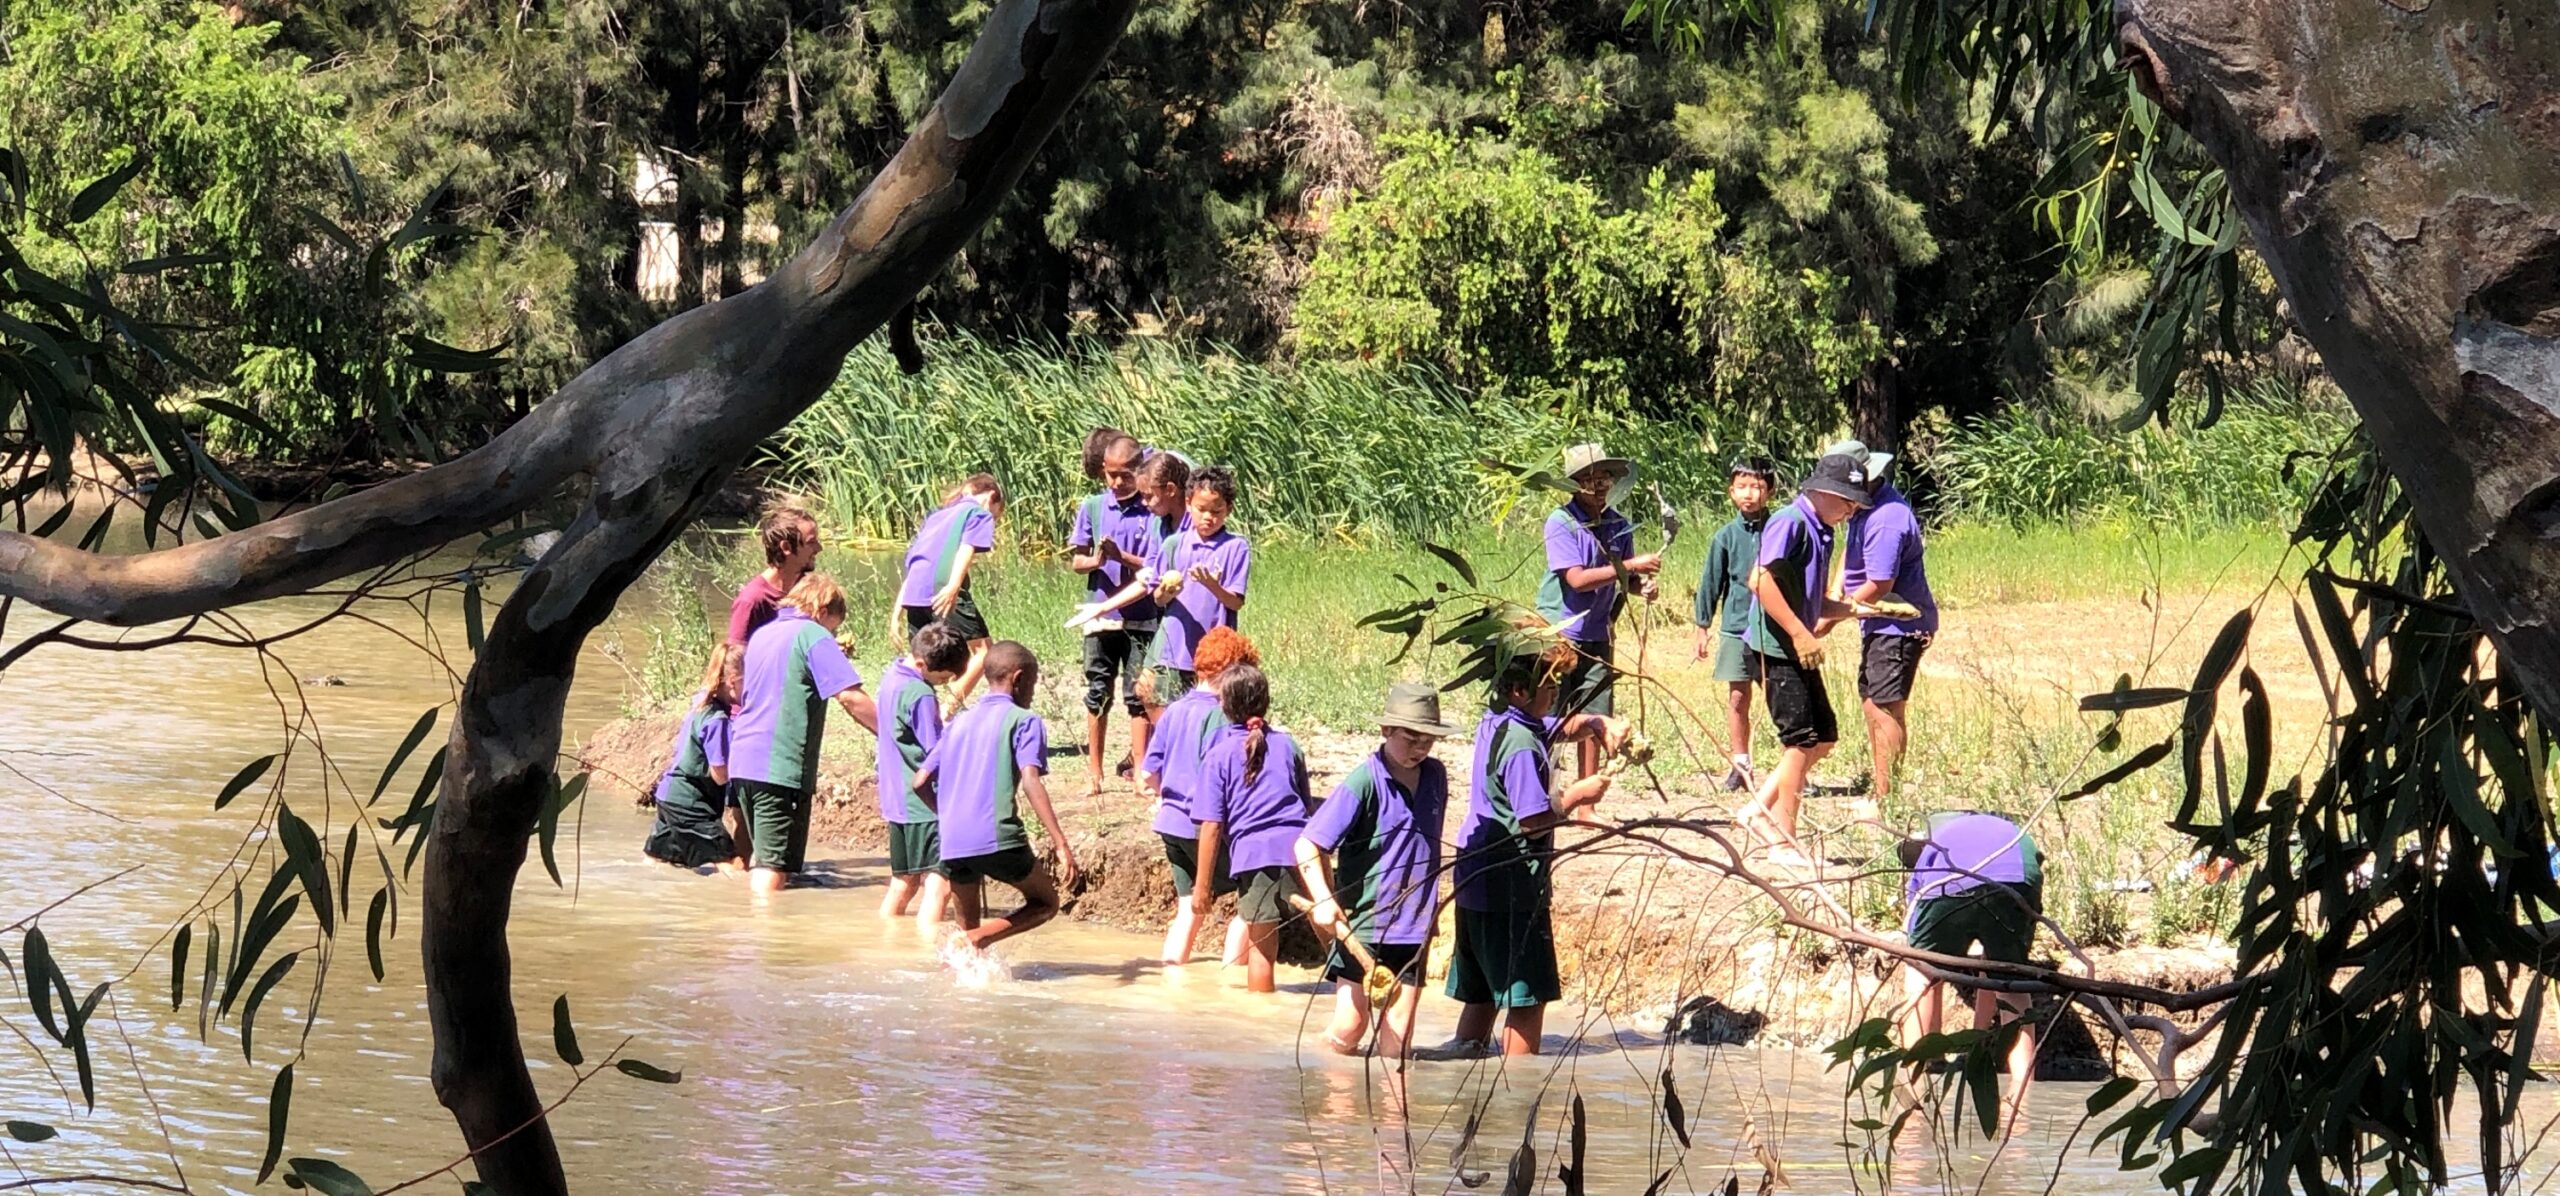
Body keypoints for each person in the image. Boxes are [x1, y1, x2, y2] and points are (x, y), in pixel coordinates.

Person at [1442, 638, 1626, 1058]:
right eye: (1550, 685)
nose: (1557, 691)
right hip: (1511, 888)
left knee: (1485, 994)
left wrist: (1597, 723)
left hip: (1477, 881)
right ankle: (1517, 1094)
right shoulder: (1523, 746)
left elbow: (1556, 727)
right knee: (1527, 1000)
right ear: (1520, 690)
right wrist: (1577, 797)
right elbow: (1531, 820)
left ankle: (1464, 1056)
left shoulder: (1498, 722)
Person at [1296, 683, 1459, 1059]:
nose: (1419, 749)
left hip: (1414, 925)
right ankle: (1322, 1085)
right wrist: (1324, 900)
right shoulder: (1364, 781)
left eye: (1428, 740)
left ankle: (1392, 1116)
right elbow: (1308, 844)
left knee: (1397, 1041)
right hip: (1365, 925)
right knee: (1349, 1028)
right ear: (1386, 731)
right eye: (1410, 738)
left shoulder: (1436, 776)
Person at [1733, 452, 1873, 869]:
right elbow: (1759, 581)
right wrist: (1799, 633)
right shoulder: (1791, 522)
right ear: (1821, 492)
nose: (1851, 509)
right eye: (1846, 500)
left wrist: (1856, 610)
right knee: (1800, 740)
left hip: (1798, 643)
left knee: (1824, 736)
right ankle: (1783, 839)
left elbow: (1808, 596)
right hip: (1776, 647)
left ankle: (1759, 811)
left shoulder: (1823, 530)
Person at [913, 641, 1081, 950]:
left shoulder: (959, 722)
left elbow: (920, 780)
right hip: (997, 835)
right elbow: (1031, 781)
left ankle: (964, 954)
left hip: (952, 839)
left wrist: (945, 814)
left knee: (966, 948)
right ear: (1018, 679)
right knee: (1045, 903)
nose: (1031, 692)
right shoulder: (1024, 720)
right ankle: (975, 939)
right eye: (1031, 682)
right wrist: (1060, 842)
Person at [729, 573, 879, 894]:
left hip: (742, 761)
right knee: (772, 871)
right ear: (823, 609)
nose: (833, 633)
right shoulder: (813, 634)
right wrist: (894, 735)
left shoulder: (763, 634)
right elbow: (850, 697)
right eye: (833, 626)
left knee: (758, 859)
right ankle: (760, 937)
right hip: (778, 768)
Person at [1898, 811, 2043, 1133]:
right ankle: (2021, 1096)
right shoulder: (2011, 831)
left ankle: (1915, 1073)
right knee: (2009, 980)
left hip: (1947, 884)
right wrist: (1977, 1038)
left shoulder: (1932, 848)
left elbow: (1917, 947)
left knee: (1922, 972)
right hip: (2017, 879)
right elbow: (1986, 969)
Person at [1537, 443, 1663, 782]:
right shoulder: (1561, 522)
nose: (1599, 485)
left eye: (1604, 477)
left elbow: (1628, 580)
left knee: (1595, 716)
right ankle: (1538, 788)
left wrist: (1642, 587)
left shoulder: (1618, 524)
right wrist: (1630, 565)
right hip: (1560, 632)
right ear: (1574, 484)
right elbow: (1577, 580)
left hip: (1599, 633)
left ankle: (1586, 801)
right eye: (1589, 479)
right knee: (1549, 712)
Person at [1138, 626, 1259, 965]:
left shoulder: (1173, 710)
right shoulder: (1221, 717)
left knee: (1188, 906)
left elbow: (1148, 773)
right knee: (1248, 899)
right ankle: (1233, 976)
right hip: (1201, 824)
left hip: (1170, 823)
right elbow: (1222, 776)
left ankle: (1173, 972)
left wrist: (1166, 796)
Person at [1188, 665, 1311, 993]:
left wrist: (1201, 888)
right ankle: (1353, 989)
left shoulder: (1218, 756)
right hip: (1301, 852)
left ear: (1224, 706)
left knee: (1261, 949)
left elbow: (1211, 826)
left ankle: (1262, 1008)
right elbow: (1306, 805)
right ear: (1266, 701)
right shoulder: (1288, 746)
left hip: (1254, 858)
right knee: (1327, 927)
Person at [1831, 438, 1937, 820]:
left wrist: (1831, 614)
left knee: (1886, 708)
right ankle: (1879, 789)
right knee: (1872, 704)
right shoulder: (1862, 508)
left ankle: (1886, 799)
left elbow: (1879, 583)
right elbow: (1850, 551)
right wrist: (1834, 589)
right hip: (1875, 621)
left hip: (1898, 625)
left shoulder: (1888, 519)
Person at [1066, 450, 1192, 718]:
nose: (1144, 503)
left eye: (1148, 495)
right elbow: (1149, 576)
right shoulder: (1162, 525)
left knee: (1183, 694)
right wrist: (1100, 608)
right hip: (1170, 618)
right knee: (1146, 689)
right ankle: (1164, 752)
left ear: (1170, 490)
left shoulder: (1194, 523)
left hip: (1194, 618)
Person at [1068, 434, 1160, 797]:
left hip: (1140, 614)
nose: (1118, 483)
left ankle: (1140, 771)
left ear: (1139, 471)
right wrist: (1098, 560)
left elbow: (1155, 565)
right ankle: (1095, 771)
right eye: (1111, 475)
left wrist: (1122, 557)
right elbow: (1078, 561)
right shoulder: (1092, 506)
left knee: (1138, 692)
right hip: (1100, 612)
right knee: (1097, 689)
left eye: (1125, 475)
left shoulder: (1151, 510)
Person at [874, 621, 971, 925]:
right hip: (925, 805)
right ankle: (927, 955)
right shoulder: (920, 693)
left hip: (896, 800)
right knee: (939, 885)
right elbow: (935, 751)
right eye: (942, 679)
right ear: (921, 664)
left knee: (903, 882)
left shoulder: (891, 677)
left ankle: (888, 937)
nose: (943, 685)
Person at [1693, 456, 1775, 793]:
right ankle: (1740, 764)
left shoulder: (1782, 527)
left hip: (1775, 629)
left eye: (1756, 486)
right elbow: (1711, 582)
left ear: (1769, 491)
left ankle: (1796, 766)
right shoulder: (1725, 536)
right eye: (1741, 487)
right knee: (1738, 698)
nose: (1749, 494)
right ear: (1730, 492)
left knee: (1782, 697)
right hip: (1735, 628)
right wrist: (1702, 625)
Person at [1143, 466, 1250, 709]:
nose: (1208, 517)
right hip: (1176, 649)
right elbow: (1157, 599)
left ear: (1229, 510)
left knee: (1213, 710)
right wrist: (1166, 592)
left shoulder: (1236, 547)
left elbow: (1236, 602)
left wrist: (1212, 585)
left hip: (1215, 652)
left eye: (1217, 511)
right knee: (1167, 706)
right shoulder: (1173, 544)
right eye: (1201, 509)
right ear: (1189, 503)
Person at [897, 475, 1005, 708]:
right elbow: (967, 548)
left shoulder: (936, 516)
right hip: (943, 589)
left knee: (920, 658)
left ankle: (904, 708)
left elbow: (916, 560)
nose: (993, 519)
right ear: (991, 497)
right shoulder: (978, 513)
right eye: (997, 514)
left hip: (915, 592)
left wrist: (897, 611)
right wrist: (954, 585)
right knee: (983, 652)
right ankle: (946, 711)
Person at [643, 643, 738, 870]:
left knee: (659, 861)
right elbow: (720, 776)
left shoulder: (700, 702)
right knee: (730, 863)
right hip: (691, 804)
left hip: (669, 795)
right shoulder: (718, 721)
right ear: (733, 682)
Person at [727, 502, 821, 696]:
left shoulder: (805, 589)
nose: (819, 548)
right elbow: (735, 662)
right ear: (786, 547)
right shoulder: (753, 599)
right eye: (811, 542)